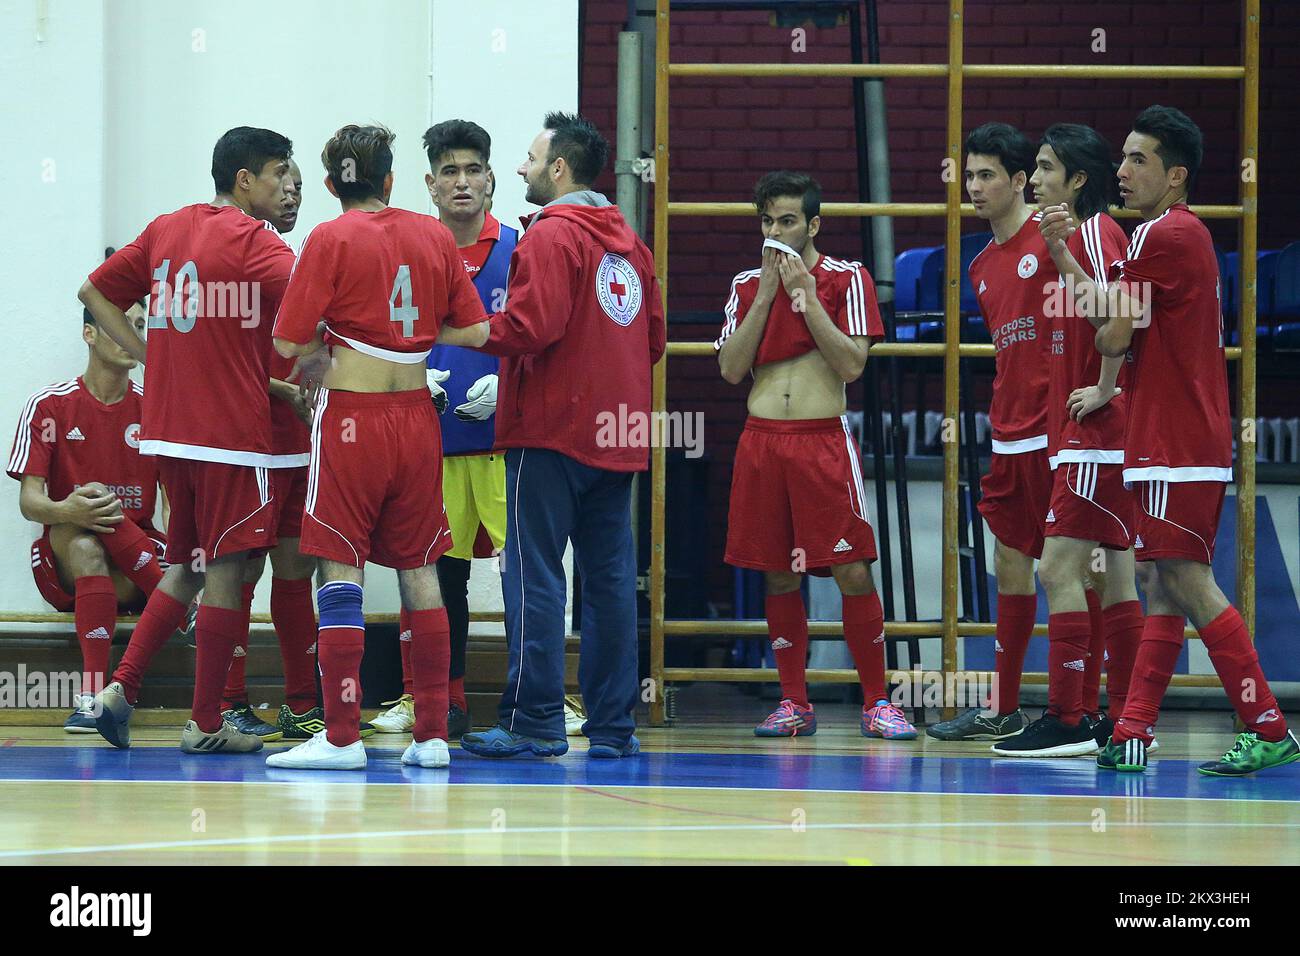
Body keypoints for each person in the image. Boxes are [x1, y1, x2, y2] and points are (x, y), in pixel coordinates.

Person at [1044, 105, 1298, 775]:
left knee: (1188, 580)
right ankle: (1132, 731)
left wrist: (1068, 265)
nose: (1122, 172)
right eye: (1122, 158)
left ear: (1175, 174)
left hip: (1174, 440)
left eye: (1139, 161)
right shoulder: (1178, 232)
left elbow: (1111, 333)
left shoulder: (1164, 236)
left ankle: (1268, 725)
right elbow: (1118, 328)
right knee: (1162, 585)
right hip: (1183, 437)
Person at [266, 124, 487, 771]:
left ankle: (340, 736)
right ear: (392, 179)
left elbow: (286, 345)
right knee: (420, 570)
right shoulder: (434, 235)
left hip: (352, 421)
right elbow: (474, 329)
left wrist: (334, 345)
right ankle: (434, 734)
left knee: (342, 567)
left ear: (333, 184)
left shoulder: (329, 238)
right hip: (419, 418)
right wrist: (408, 334)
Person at [79, 126, 298, 753]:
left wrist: (150, 355)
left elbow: (92, 291)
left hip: (170, 435)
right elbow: (316, 303)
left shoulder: (165, 228)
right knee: (231, 569)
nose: (287, 185)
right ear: (244, 180)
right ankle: (206, 724)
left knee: (187, 567)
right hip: (232, 440)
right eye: (280, 172)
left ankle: (117, 691)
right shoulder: (254, 241)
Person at [459, 111, 664, 759]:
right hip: (619, 435)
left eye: (527, 157)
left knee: (535, 575)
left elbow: (531, 328)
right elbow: (653, 341)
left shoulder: (548, 237)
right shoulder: (631, 245)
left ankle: (536, 721)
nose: (517, 168)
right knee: (608, 583)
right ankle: (611, 728)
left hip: (551, 433)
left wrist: (460, 333)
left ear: (558, 169)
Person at [716, 171, 912, 741]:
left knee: (852, 569)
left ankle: (878, 702)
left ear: (813, 224)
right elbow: (731, 370)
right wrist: (772, 293)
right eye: (768, 221)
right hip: (761, 441)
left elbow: (852, 364)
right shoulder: (745, 286)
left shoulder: (847, 277)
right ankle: (793, 701)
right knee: (779, 577)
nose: (775, 232)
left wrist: (803, 295)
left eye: (788, 221)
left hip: (822, 439)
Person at [929, 123, 1102, 742]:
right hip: (1009, 436)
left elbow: (1103, 321)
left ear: (1020, 180)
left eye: (986, 176)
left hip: (1065, 434)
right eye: (968, 176)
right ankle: (1003, 705)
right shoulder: (979, 266)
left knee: (1085, 574)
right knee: (1010, 565)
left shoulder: (1063, 236)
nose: (973, 188)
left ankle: (1085, 712)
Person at [992, 124, 1141, 756]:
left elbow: (1121, 317)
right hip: (1085, 434)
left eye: (1047, 168)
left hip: (1096, 436)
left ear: (1077, 180)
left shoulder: (1094, 234)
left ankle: (1069, 718)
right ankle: (1125, 720)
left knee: (1057, 568)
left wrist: (1106, 387)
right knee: (1115, 578)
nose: (1036, 178)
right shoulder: (1075, 236)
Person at [368, 120, 515, 741]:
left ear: (490, 178)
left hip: (511, 442)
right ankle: (436, 698)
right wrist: (406, 374)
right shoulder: (406, 251)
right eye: (448, 171)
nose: (461, 181)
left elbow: (548, 336)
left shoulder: (524, 247)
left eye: (472, 169)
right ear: (428, 184)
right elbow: (372, 333)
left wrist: (512, 384)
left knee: (526, 573)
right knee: (433, 572)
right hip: (430, 440)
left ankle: (533, 697)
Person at [7, 302, 169, 731]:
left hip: (140, 553)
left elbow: (173, 502)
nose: (131, 335)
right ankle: (173, 607)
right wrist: (69, 509)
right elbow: (30, 501)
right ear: (89, 334)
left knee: (103, 514)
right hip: (69, 562)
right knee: (84, 537)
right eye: (118, 325)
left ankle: (94, 700)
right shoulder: (49, 406)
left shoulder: (156, 407)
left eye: (138, 326)